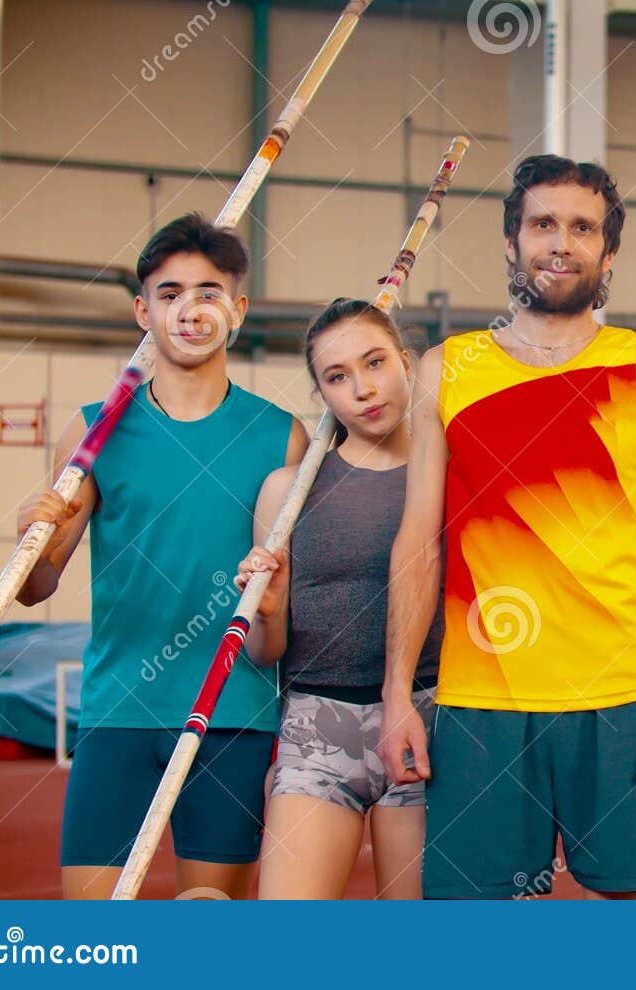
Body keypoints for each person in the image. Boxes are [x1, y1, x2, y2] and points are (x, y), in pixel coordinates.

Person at [378, 154, 636, 899]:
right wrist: (399, 694)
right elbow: (417, 544)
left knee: (630, 932)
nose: (561, 242)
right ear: (511, 241)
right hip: (482, 702)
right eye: (543, 224)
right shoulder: (445, 368)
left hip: (619, 698)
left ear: (609, 252)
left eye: (582, 228)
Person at [15, 213, 307, 899]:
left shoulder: (282, 437)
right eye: (170, 293)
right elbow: (36, 586)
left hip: (232, 712)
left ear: (236, 310)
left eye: (209, 292)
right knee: (93, 934)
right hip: (119, 708)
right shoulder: (93, 430)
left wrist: (271, 606)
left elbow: (274, 637)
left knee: (213, 929)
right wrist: (27, 537)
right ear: (142, 311)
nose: (189, 308)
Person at [234, 299, 442, 899]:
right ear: (322, 395)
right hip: (316, 728)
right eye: (338, 376)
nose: (363, 388)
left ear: (406, 363)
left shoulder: (457, 477)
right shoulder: (288, 491)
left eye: (375, 363)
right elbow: (263, 653)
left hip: (431, 721)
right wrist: (266, 611)